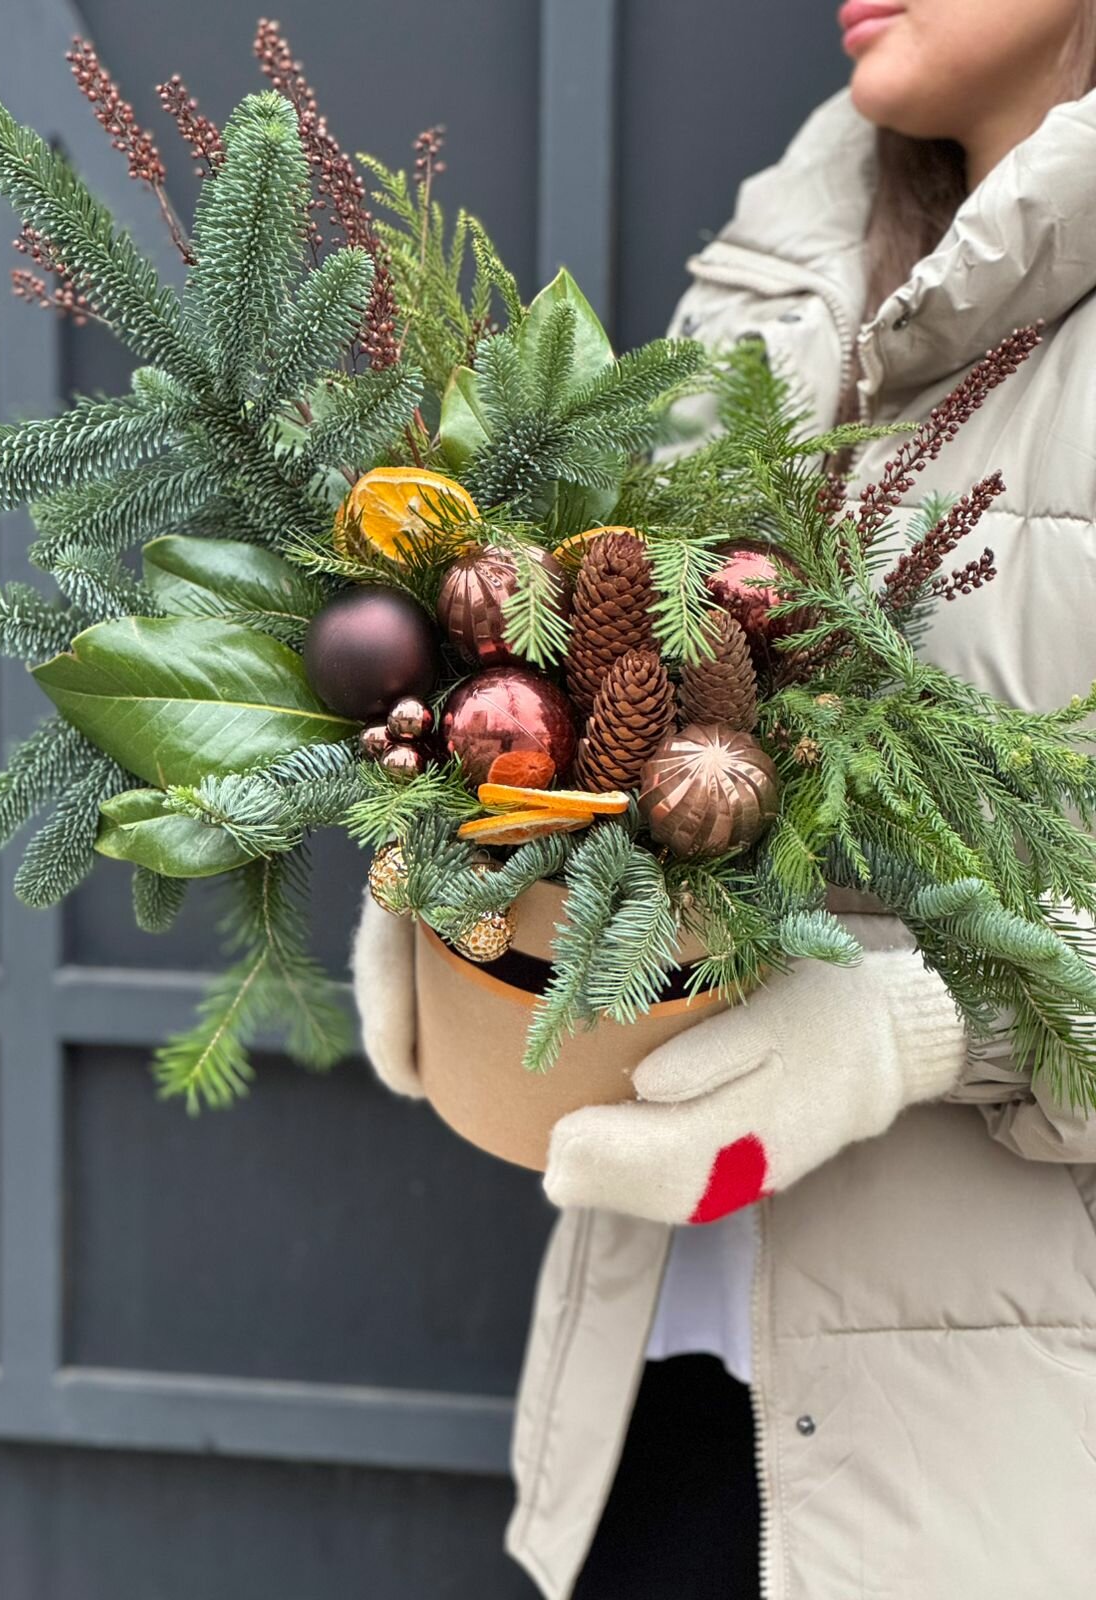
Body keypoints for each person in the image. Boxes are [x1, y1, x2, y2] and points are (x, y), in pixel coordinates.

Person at [352, 2, 1096, 1594]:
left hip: (1006, 1473)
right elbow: (617, 694)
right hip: (657, 1390)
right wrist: (481, 876)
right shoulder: (779, 266)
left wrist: (932, 1023)